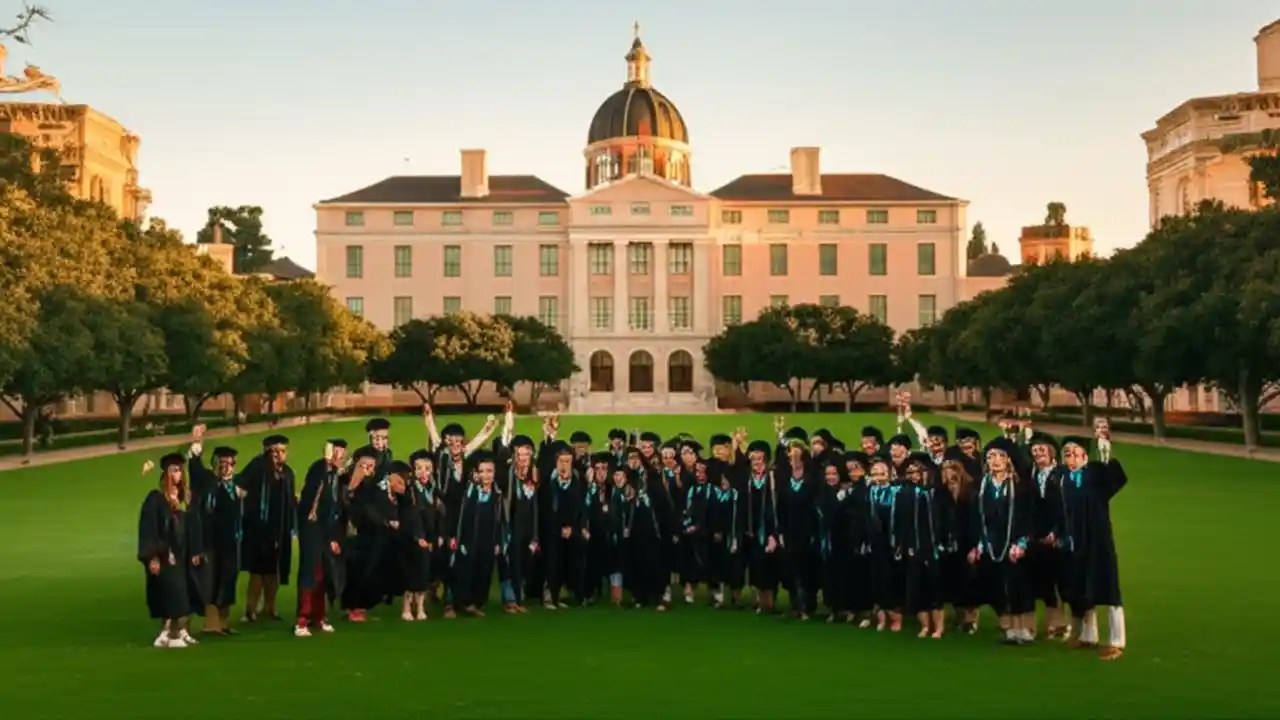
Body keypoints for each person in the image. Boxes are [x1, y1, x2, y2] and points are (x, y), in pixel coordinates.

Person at [1061, 427, 1129, 661]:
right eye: (1067, 454)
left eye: (1075, 453)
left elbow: (1116, 479)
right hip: (1075, 542)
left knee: (1109, 590)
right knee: (1082, 589)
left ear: (1085, 456)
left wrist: (1105, 452)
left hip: (1098, 541)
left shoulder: (1095, 475)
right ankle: (1089, 636)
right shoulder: (1065, 481)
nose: (1070, 458)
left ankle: (1117, 641)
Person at [970, 437, 1035, 645]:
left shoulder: (1020, 485)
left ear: (1008, 460)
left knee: (1019, 584)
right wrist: (981, 543)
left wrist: (1022, 543)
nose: (995, 460)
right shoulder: (983, 485)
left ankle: (1023, 628)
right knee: (999, 585)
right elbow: (979, 517)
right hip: (992, 543)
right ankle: (1009, 629)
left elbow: (1027, 516)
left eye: (1000, 456)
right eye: (991, 457)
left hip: (1015, 541)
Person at [186, 424, 242, 636]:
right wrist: (197, 440)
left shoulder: (234, 487)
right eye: (222, 463)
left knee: (228, 582)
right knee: (210, 584)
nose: (226, 467)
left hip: (230, 543)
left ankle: (224, 622)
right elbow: (194, 463)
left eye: (230, 463)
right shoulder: (206, 481)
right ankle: (211, 624)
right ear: (215, 463)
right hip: (210, 542)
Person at [137, 453, 198, 649]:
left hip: (183, 553)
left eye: (179, 470)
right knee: (171, 592)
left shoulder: (184, 499)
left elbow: (192, 527)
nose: (176, 475)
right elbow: (148, 529)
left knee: (185, 591)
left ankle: (179, 631)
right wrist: (152, 557)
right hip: (164, 554)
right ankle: (167, 633)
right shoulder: (155, 500)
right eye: (172, 470)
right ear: (165, 474)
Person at [239, 434, 297, 622]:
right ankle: (250, 610)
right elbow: (239, 483)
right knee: (257, 572)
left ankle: (270, 608)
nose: (280, 455)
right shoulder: (258, 467)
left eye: (283, 451)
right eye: (276, 451)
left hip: (279, 529)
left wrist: (292, 526)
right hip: (258, 528)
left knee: (274, 571)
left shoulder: (288, 473)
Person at [295, 439, 348, 637]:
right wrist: (325, 462)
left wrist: (333, 537)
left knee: (323, 574)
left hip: (325, 531)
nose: (339, 458)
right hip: (311, 528)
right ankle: (302, 619)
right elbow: (312, 495)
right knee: (309, 571)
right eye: (336, 453)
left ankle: (319, 616)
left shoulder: (335, 476)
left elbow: (333, 509)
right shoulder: (319, 470)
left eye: (342, 454)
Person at [449, 451, 504, 617]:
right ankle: (456, 604)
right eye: (482, 471)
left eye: (489, 471)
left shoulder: (498, 495)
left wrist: (498, 542)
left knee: (484, 572)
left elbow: (501, 521)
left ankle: (475, 604)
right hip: (468, 540)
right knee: (464, 572)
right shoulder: (468, 493)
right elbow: (460, 518)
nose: (486, 475)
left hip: (487, 541)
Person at [1028, 432, 1071, 640]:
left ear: (1052, 452)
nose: (1038, 454)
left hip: (1059, 536)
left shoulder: (1063, 475)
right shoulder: (1031, 476)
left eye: (1042, 450)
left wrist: (1057, 531)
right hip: (1037, 536)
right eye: (1035, 451)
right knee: (1043, 583)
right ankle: (1052, 623)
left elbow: (1066, 508)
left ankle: (1063, 622)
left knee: (1062, 582)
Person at [541, 440, 588, 609]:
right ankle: (548, 597)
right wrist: (559, 528)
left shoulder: (578, 482)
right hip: (553, 531)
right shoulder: (548, 484)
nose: (564, 465)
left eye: (567, 461)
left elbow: (581, 508)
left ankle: (564, 595)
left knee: (568, 563)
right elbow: (546, 510)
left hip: (572, 530)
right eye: (561, 461)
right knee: (553, 563)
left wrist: (574, 528)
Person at [743, 439, 781, 614]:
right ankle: (759, 601)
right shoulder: (747, 479)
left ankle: (771, 601)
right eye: (753, 460)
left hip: (769, 528)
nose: (757, 463)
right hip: (752, 528)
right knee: (755, 565)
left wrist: (775, 533)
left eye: (760, 459)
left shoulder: (773, 478)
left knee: (770, 566)